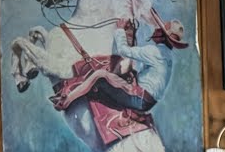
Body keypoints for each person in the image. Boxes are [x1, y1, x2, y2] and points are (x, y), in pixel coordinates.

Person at [52, 15, 187, 113]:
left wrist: (120, 30)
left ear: (163, 36)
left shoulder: (154, 51)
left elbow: (123, 50)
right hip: (146, 100)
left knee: (100, 74)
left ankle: (66, 101)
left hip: (139, 99)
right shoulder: (167, 55)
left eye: (160, 29)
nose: (156, 29)